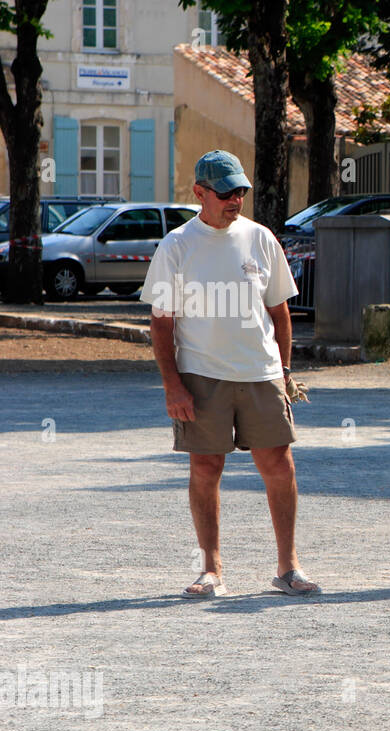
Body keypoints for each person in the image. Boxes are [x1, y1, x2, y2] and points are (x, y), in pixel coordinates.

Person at [144, 149, 318, 598]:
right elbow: (161, 323)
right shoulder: (176, 246)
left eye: (240, 190)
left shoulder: (260, 239)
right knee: (206, 467)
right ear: (199, 192)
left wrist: (283, 371)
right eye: (225, 192)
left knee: (279, 466)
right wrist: (173, 385)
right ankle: (211, 569)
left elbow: (279, 311)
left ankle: (288, 567)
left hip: (261, 373)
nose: (235, 199)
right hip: (200, 374)